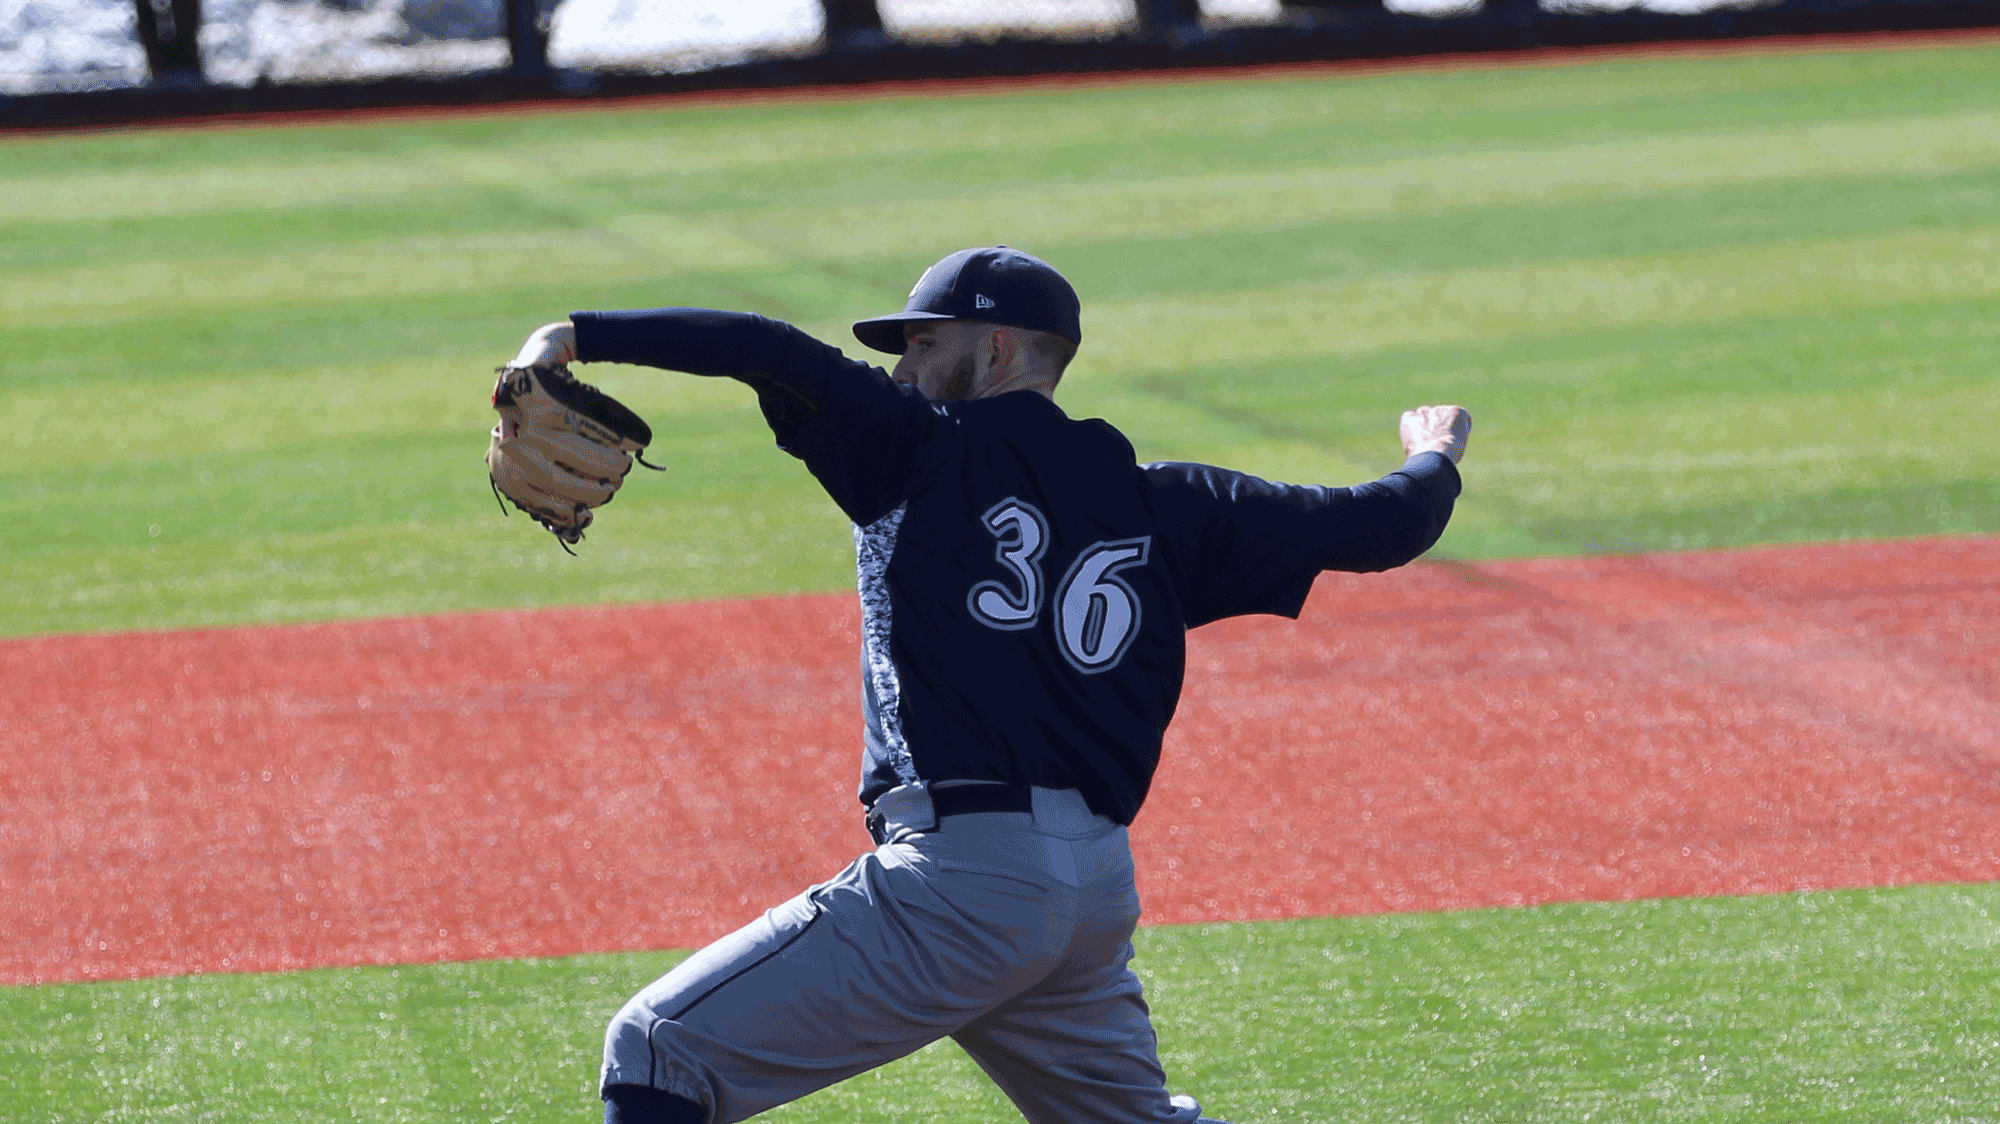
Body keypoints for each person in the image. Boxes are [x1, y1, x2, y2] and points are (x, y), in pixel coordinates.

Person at [505, 246, 1471, 1124]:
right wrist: (1434, 455)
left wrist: (575, 334)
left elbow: (766, 349)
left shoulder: (915, 448)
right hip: (1091, 889)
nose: (899, 371)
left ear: (997, 350)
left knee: (662, 1049)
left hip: (966, 882)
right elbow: (1382, 524)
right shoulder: (1171, 505)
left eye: (923, 345)